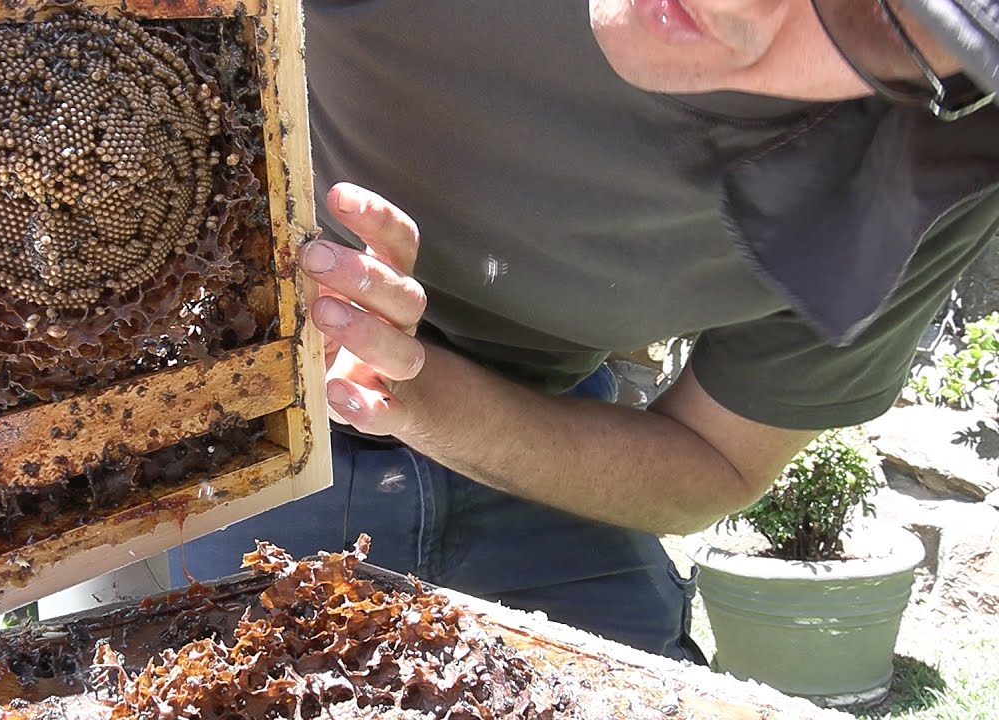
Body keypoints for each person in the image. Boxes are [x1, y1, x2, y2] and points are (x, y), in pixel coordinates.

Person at [165, 0, 999, 663]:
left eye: (889, 17)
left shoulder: (940, 160)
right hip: (249, 424)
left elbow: (715, 463)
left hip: (550, 448)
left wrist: (416, 396)